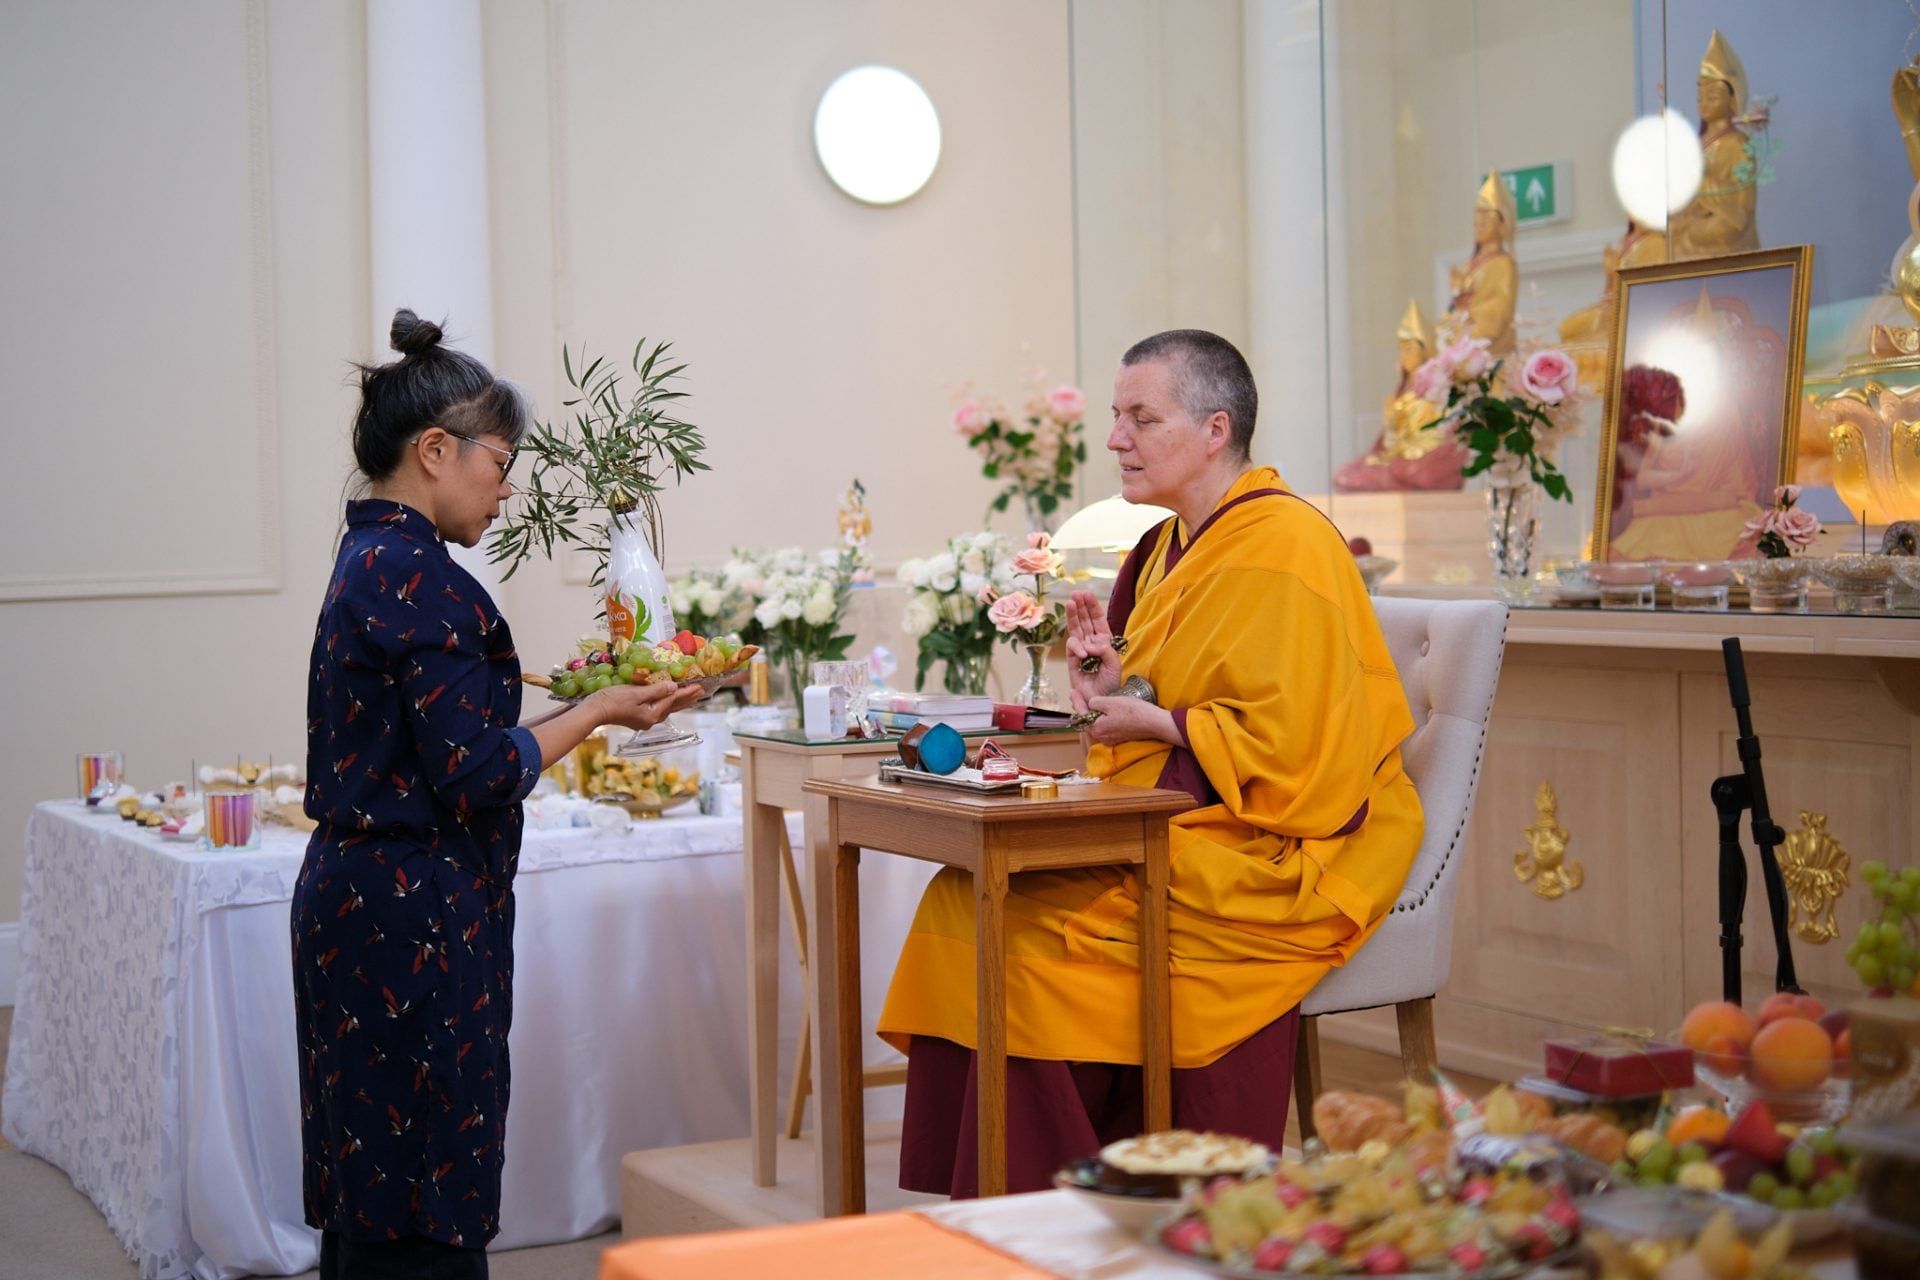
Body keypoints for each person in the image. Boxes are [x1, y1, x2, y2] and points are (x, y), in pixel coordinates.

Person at [877, 329, 1424, 1197]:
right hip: (1183, 807)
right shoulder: (1164, 548)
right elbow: (1179, 695)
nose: (1116, 440)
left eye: (1141, 418)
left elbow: (1300, 752)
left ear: (1215, 429)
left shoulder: (1287, 544)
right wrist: (1114, 685)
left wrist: (1164, 722)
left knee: (1021, 928)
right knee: (967, 897)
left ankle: (1086, 1195)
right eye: (1115, 417)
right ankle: (1036, 1197)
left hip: (1276, 837)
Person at [292, 310, 703, 1278]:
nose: (508, 485)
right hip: (412, 918)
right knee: (423, 1194)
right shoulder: (414, 575)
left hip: (364, 901)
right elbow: (476, 769)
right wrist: (601, 704)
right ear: (435, 450)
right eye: (498, 460)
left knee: (372, 1189)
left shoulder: (376, 559)